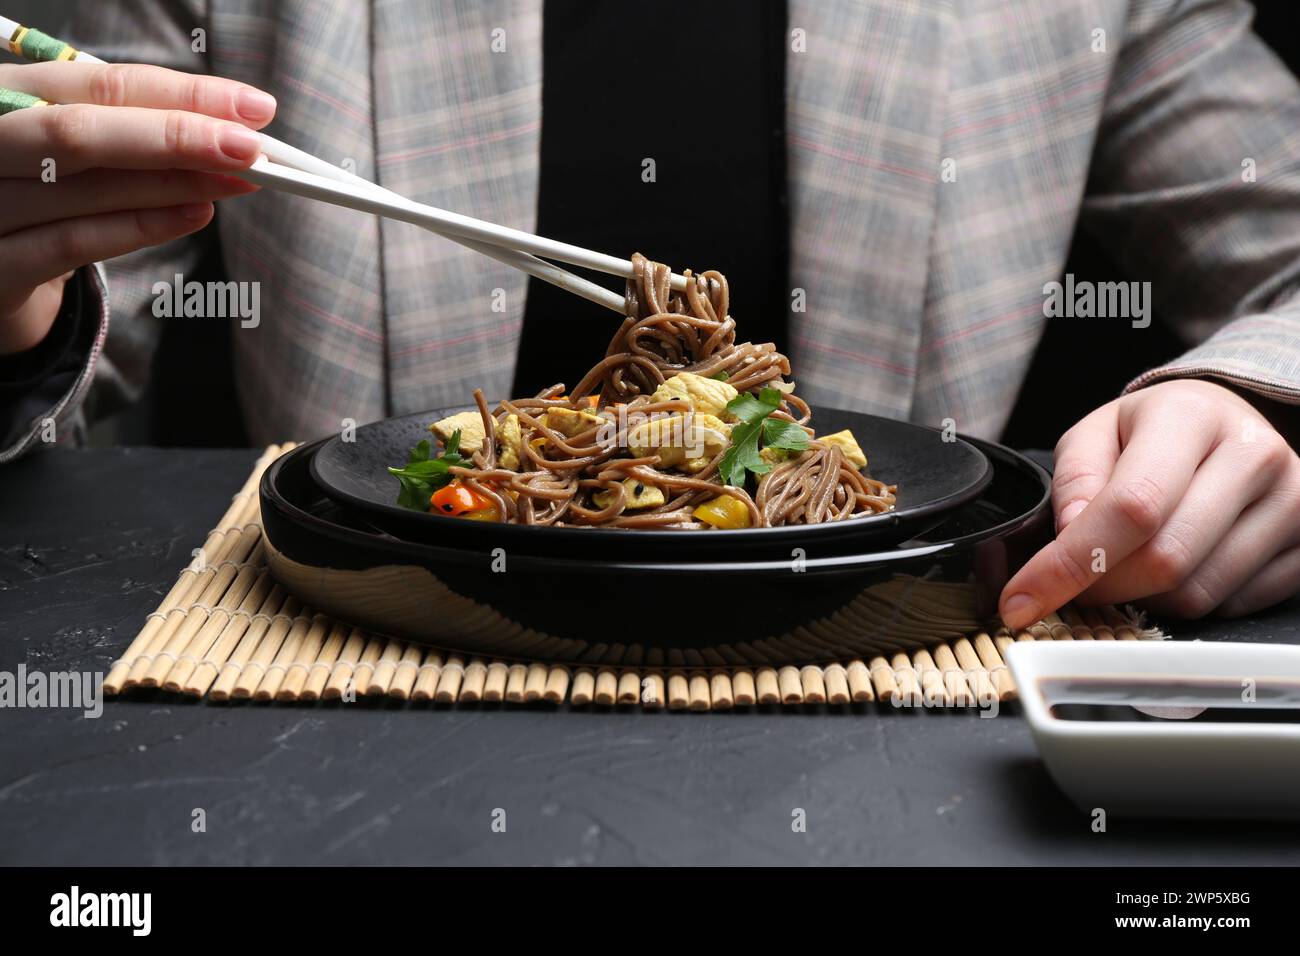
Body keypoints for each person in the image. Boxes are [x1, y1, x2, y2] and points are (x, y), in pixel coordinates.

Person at [1, 0, 1298, 630]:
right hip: (361, 669)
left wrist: (1244, 394)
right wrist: (20, 305)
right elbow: (82, 330)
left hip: (895, 705)